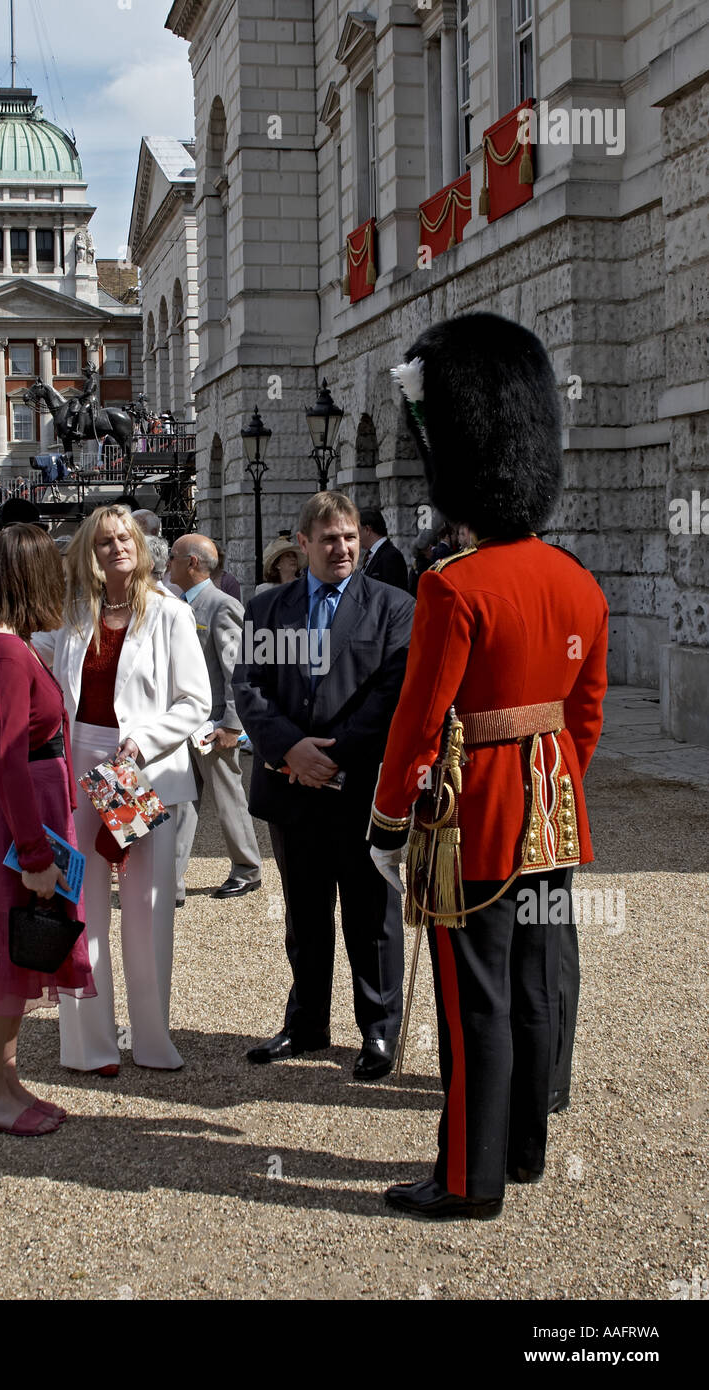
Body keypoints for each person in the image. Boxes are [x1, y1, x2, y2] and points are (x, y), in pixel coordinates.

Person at [370, 312, 608, 1222]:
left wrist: (391, 822)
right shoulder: (576, 579)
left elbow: (419, 723)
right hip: (551, 811)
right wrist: (555, 784)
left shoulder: (452, 585)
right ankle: (527, 1149)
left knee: (478, 1003)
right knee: (539, 983)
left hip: (477, 821)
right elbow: (583, 718)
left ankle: (471, 1179)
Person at [233, 492, 415, 1079]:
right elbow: (250, 688)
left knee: (372, 919)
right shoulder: (266, 609)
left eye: (351, 539)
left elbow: (391, 694)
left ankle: (379, 1033)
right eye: (330, 538)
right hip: (290, 789)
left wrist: (331, 759)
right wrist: (290, 749)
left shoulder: (393, 607)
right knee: (304, 916)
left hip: (361, 791)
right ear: (303, 542)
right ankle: (306, 1023)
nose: (342, 549)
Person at [31, 506, 210, 1073]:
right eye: (105, 541)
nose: (117, 548)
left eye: (125, 538)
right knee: (81, 907)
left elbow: (195, 703)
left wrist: (144, 740)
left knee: (148, 908)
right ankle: (89, 1044)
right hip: (80, 763)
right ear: (92, 551)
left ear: (140, 544)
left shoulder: (169, 613)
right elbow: (40, 654)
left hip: (142, 769)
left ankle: (152, 1041)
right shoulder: (74, 615)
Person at [0, 523, 95, 1136]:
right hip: (15, 814)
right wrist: (34, 850)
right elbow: (6, 756)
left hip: (3, 807)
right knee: (4, 950)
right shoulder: (7, 652)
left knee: (12, 946)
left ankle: (4, 1080)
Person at [170, 534, 262, 903]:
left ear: (192, 563)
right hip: (184, 722)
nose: (169, 563)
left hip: (213, 725)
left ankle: (248, 869)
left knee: (228, 798)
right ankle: (170, 878)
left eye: (174, 557)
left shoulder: (221, 606)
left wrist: (231, 724)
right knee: (179, 800)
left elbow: (236, 669)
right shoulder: (179, 603)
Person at [358, 510, 409, 590]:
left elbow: (392, 593)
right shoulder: (371, 555)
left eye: (358, 530)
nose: (356, 536)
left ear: (367, 529)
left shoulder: (391, 556)